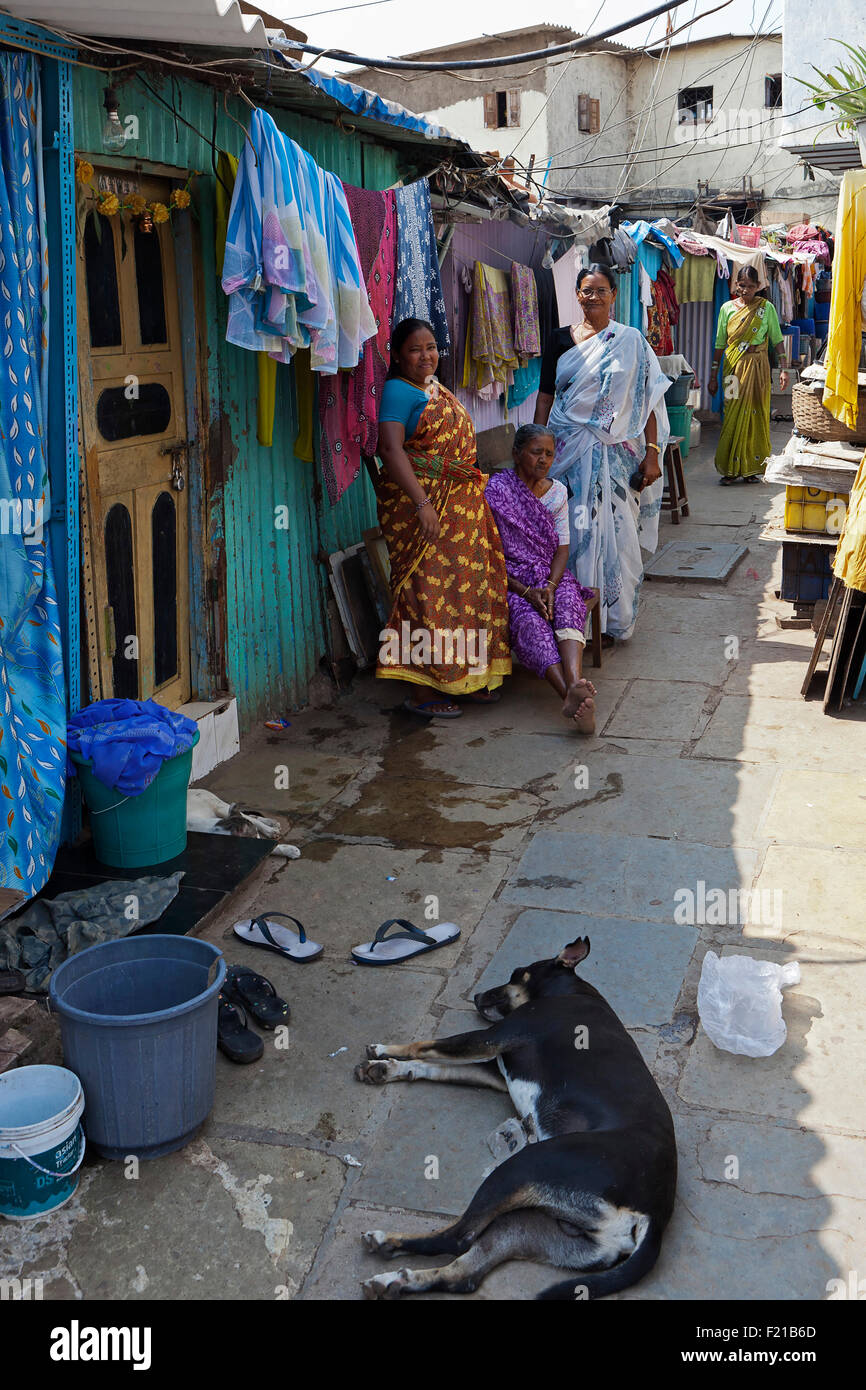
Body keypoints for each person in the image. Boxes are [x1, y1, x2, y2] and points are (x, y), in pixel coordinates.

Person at [375, 318, 511, 718]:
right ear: (398, 355)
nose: (426, 355)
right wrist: (421, 504)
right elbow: (390, 449)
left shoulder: (433, 387)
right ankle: (423, 691)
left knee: (464, 593)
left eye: (431, 347)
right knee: (427, 595)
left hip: (463, 510)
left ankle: (465, 676)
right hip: (426, 509)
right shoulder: (398, 392)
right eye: (416, 349)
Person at [534, 265, 670, 643]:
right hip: (566, 450)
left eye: (600, 291)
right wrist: (537, 446)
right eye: (586, 291)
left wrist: (653, 454)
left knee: (616, 533)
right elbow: (547, 395)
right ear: (577, 295)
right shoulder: (559, 340)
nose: (592, 297)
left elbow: (648, 400)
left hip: (616, 456)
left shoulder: (631, 341)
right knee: (571, 533)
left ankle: (611, 620)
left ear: (613, 295)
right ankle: (571, 618)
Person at [485, 425, 597, 732]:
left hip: (548, 576)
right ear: (516, 454)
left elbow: (562, 548)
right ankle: (568, 694)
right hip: (509, 580)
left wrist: (548, 586)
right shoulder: (495, 492)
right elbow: (489, 553)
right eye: (536, 452)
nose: (544, 460)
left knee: (567, 602)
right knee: (527, 621)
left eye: (549, 453)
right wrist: (525, 591)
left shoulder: (557, 492)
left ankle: (574, 682)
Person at [708, 265, 787, 484]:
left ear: (758, 287)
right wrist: (713, 374)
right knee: (732, 410)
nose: (745, 291)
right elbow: (720, 343)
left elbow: (777, 339)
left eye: (751, 287)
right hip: (732, 368)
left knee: (756, 413)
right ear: (736, 284)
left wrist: (782, 369)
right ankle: (730, 469)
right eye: (742, 285)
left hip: (759, 368)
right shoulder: (726, 309)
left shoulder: (766, 308)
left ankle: (752, 468)